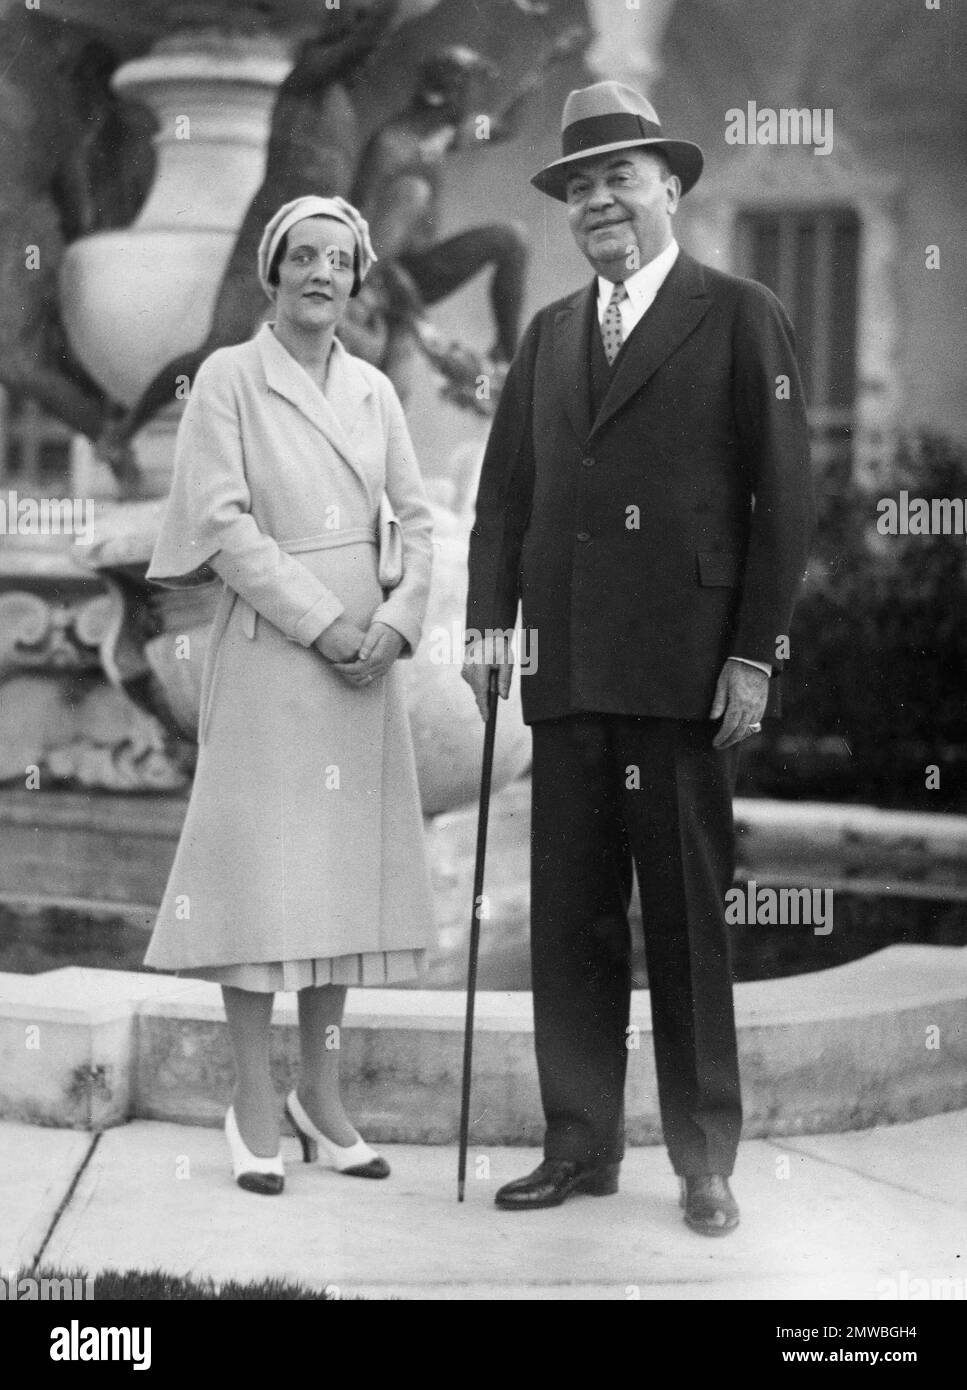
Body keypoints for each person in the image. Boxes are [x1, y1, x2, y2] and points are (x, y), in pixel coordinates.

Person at [463, 83, 814, 1234]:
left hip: (683, 672)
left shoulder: (738, 312)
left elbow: (786, 501)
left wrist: (754, 655)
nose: (597, 198)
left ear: (670, 186)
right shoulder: (550, 332)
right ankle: (578, 1144)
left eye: (620, 175)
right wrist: (485, 626)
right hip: (564, 671)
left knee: (683, 919)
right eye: (578, 184)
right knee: (568, 918)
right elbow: (503, 496)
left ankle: (704, 1158)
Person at [143, 195, 435, 1196]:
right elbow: (221, 526)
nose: (322, 274)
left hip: (367, 656)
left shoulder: (376, 391)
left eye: (340, 260)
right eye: (302, 257)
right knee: (257, 866)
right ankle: (252, 1097)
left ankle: (321, 1089)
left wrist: (393, 625)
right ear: (271, 274)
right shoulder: (228, 377)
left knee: (342, 871)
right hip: (276, 645)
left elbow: (422, 521)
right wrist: (326, 623)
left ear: (357, 280)